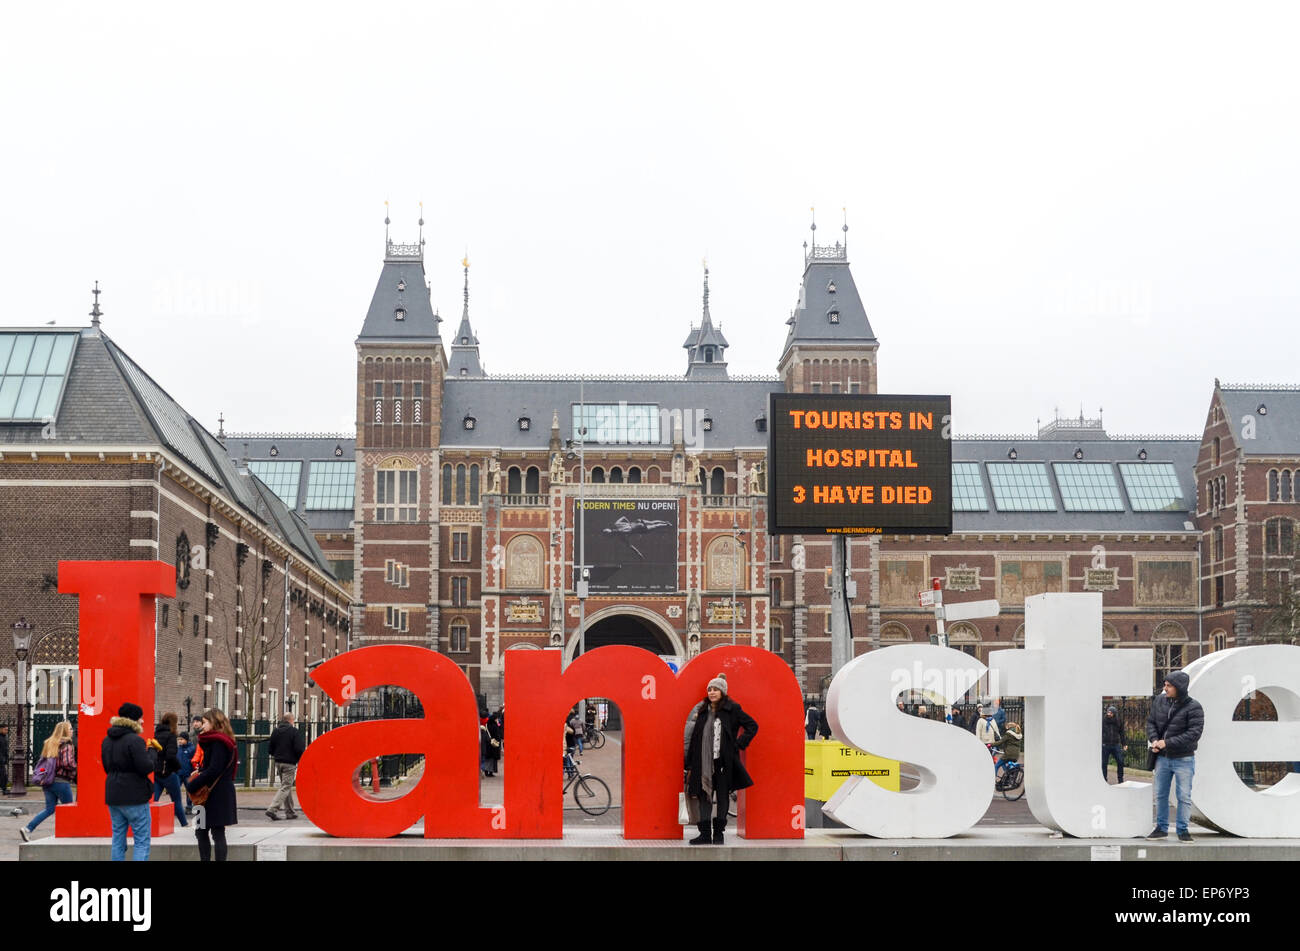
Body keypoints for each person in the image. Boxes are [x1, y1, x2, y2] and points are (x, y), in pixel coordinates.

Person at [684, 672, 758, 845]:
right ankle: (704, 834)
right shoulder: (702, 710)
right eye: (709, 689)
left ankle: (718, 834)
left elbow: (752, 726)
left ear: (723, 691)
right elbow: (695, 737)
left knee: (723, 797)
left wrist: (738, 745)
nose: (711, 692)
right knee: (704, 796)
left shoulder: (732, 709)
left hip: (724, 763)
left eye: (716, 689)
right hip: (703, 763)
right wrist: (688, 764)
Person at [1146, 671, 1203, 842]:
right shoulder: (1159, 701)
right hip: (1162, 758)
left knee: (1184, 796)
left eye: (1169, 686)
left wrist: (1167, 743)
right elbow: (1151, 722)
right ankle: (1161, 828)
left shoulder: (1194, 707)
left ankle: (1182, 830)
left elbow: (1194, 733)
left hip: (1184, 759)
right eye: (1165, 684)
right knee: (1160, 795)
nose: (1165, 688)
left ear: (1179, 687)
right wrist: (1155, 739)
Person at [102, 701, 155, 861]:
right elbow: (146, 767)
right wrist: (152, 753)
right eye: (140, 718)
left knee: (118, 837)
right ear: (133, 719)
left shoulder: (107, 740)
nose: (142, 721)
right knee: (141, 840)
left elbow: (106, 767)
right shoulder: (135, 740)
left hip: (113, 794)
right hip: (134, 795)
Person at [186, 708, 239, 861]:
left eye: (204, 722)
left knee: (210, 831)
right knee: (211, 831)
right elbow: (215, 767)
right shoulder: (224, 741)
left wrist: (193, 784)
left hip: (213, 794)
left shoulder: (218, 742)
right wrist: (201, 771)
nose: (202, 725)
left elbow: (215, 769)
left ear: (214, 722)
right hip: (217, 793)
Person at [21, 720, 76, 841]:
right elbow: (67, 763)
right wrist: (76, 768)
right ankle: (69, 834)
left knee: (50, 809)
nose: (73, 731)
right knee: (70, 809)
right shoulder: (67, 745)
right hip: (61, 782)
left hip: (47, 782)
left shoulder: (50, 744)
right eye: (71, 728)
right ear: (65, 731)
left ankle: (28, 828)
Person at [150, 712, 187, 827]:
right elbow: (170, 756)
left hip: (156, 772)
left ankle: (149, 825)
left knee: (153, 800)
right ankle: (184, 824)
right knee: (176, 801)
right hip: (169, 773)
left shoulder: (155, 734)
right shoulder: (171, 736)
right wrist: (178, 768)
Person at [266, 713, 305, 821]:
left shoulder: (275, 731)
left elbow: (270, 749)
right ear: (291, 720)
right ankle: (272, 809)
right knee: (286, 787)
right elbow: (299, 749)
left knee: (285, 787)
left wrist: (277, 755)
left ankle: (290, 812)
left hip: (278, 762)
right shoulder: (294, 732)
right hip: (289, 763)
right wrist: (298, 759)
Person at [1102, 705, 1126, 784]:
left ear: (1114, 714)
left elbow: (1122, 733)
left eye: (1111, 713)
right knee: (1104, 763)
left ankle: (1120, 779)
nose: (1109, 714)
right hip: (1105, 744)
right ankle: (1104, 779)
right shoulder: (1103, 721)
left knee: (1120, 761)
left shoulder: (1118, 721)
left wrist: (1124, 744)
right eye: (1108, 712)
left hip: (1115, 745)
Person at [177, 731, 196, 813]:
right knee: (176, 790)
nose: (180, 741)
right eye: (179, 739)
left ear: (186, 740)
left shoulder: (192, 749)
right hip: (178, 773)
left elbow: (194, 761)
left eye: (181, 739)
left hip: (188, 774)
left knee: (189, 790)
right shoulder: (178, 749)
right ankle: (177, 807)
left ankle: (189, 806)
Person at [0, 724, 10, 795]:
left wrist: (6, 758)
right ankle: (4, 789)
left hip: (2, 760)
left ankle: (4, 789)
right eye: (5, 729)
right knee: (3, 775)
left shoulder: (4, 737)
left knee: (4, 775)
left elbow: (5, 749)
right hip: (0, 760)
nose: (7, 731)